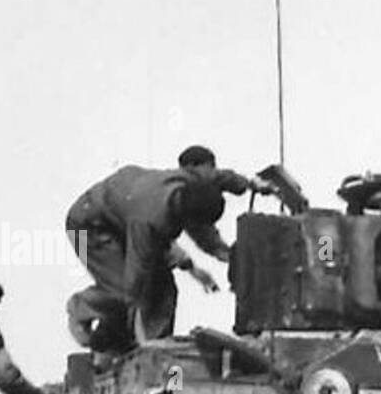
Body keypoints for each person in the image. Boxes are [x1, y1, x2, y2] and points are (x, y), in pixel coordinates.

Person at [64, 145, 267, 346]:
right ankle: (80, 307)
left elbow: (218, 179)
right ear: (185, 216)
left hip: (119, 214)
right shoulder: (149, 221)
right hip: (84, 227)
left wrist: (250, 185)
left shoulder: (190, 182)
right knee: (124, 291)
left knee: (164, 289)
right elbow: (137, 276)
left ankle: (157, 345)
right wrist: (141, 335)